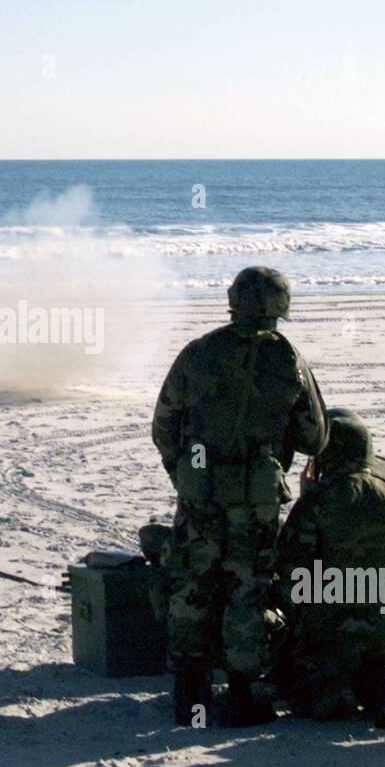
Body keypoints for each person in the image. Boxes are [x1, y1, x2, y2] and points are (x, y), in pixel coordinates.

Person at [152, 266, 327, 727]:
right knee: (247, 593)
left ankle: (190, 699)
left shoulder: (198, 353)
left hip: (200, 498)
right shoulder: (289, 360)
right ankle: (244, 697)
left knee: (193, 589)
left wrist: (187, 474)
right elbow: (315, 437)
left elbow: (163, 426)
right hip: (256, 503)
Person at [276, 409, 385, 729]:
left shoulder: (317, 501)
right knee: (383, 657)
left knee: (316, 697)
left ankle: (348, 689)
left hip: (329, 635)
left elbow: (291, 562)